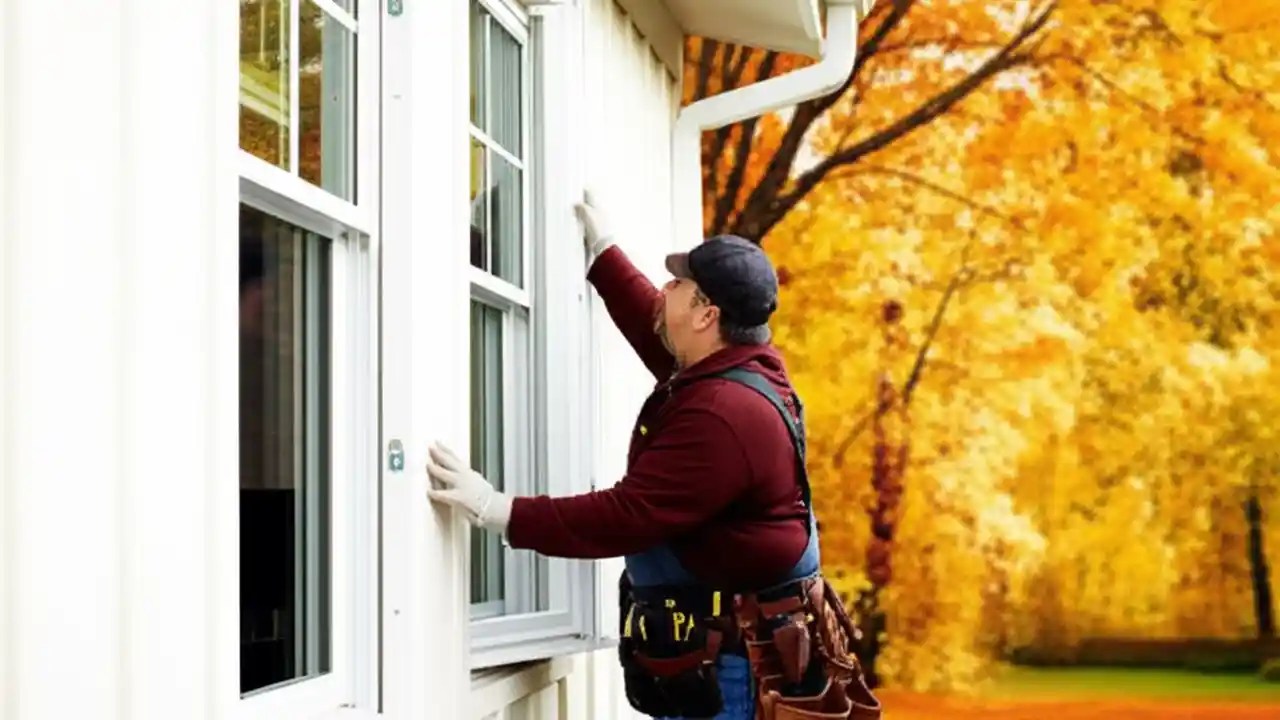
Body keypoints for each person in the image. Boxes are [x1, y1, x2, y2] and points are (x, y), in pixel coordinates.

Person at [427, 192, 880, 720]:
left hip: (734, 669)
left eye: (679, 285)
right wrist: (604, 251)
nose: (666, 290)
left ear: (707, 314)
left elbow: (628, 515)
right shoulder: (728, 363)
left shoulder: (724, 413)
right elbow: (654, 324)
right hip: (716, 646)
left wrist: (496, 508)